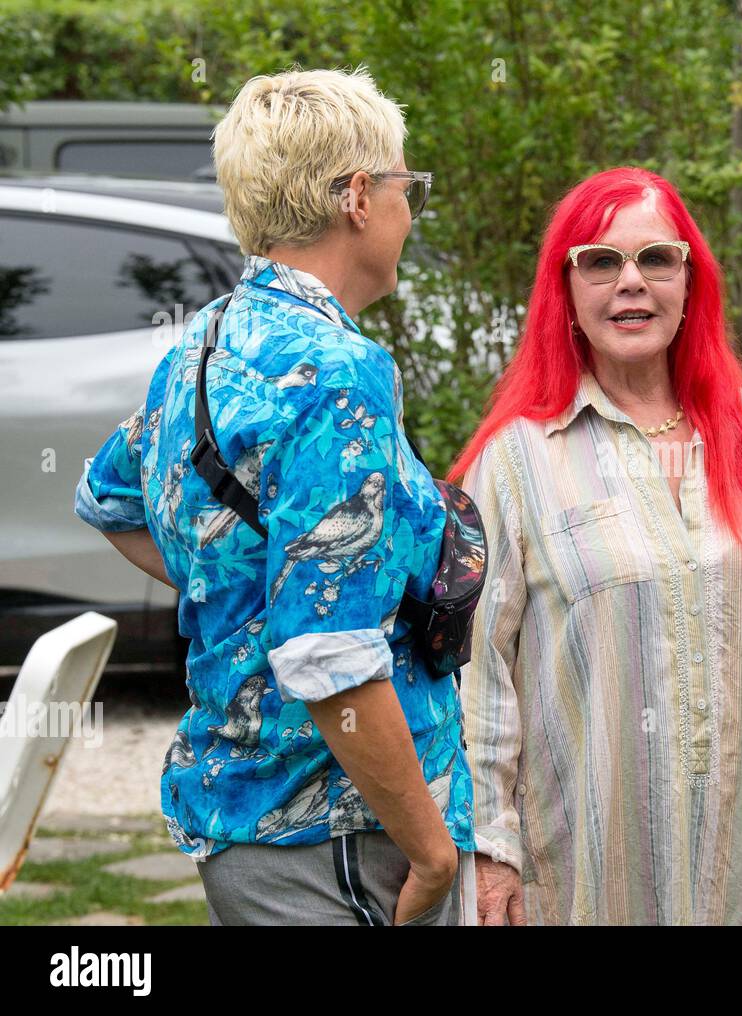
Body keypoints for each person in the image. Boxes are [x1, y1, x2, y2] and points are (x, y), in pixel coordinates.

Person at [73, 68, 476, 925]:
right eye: (409, 187)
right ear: (359, 198)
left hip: (250, 827)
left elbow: (111, 496)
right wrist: (433, 854)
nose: (412, 210)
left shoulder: (208, 340)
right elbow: (329, 653)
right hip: (335, 833)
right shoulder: (337, 372)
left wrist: (241, 589)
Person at [450, 166, 742, 925]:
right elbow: (481, 674)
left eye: (656, 259)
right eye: (600, 262)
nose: (630, 282)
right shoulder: (516, 458)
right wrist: (489, 847)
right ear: (566, 292)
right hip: (592, 876)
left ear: (689, 279)